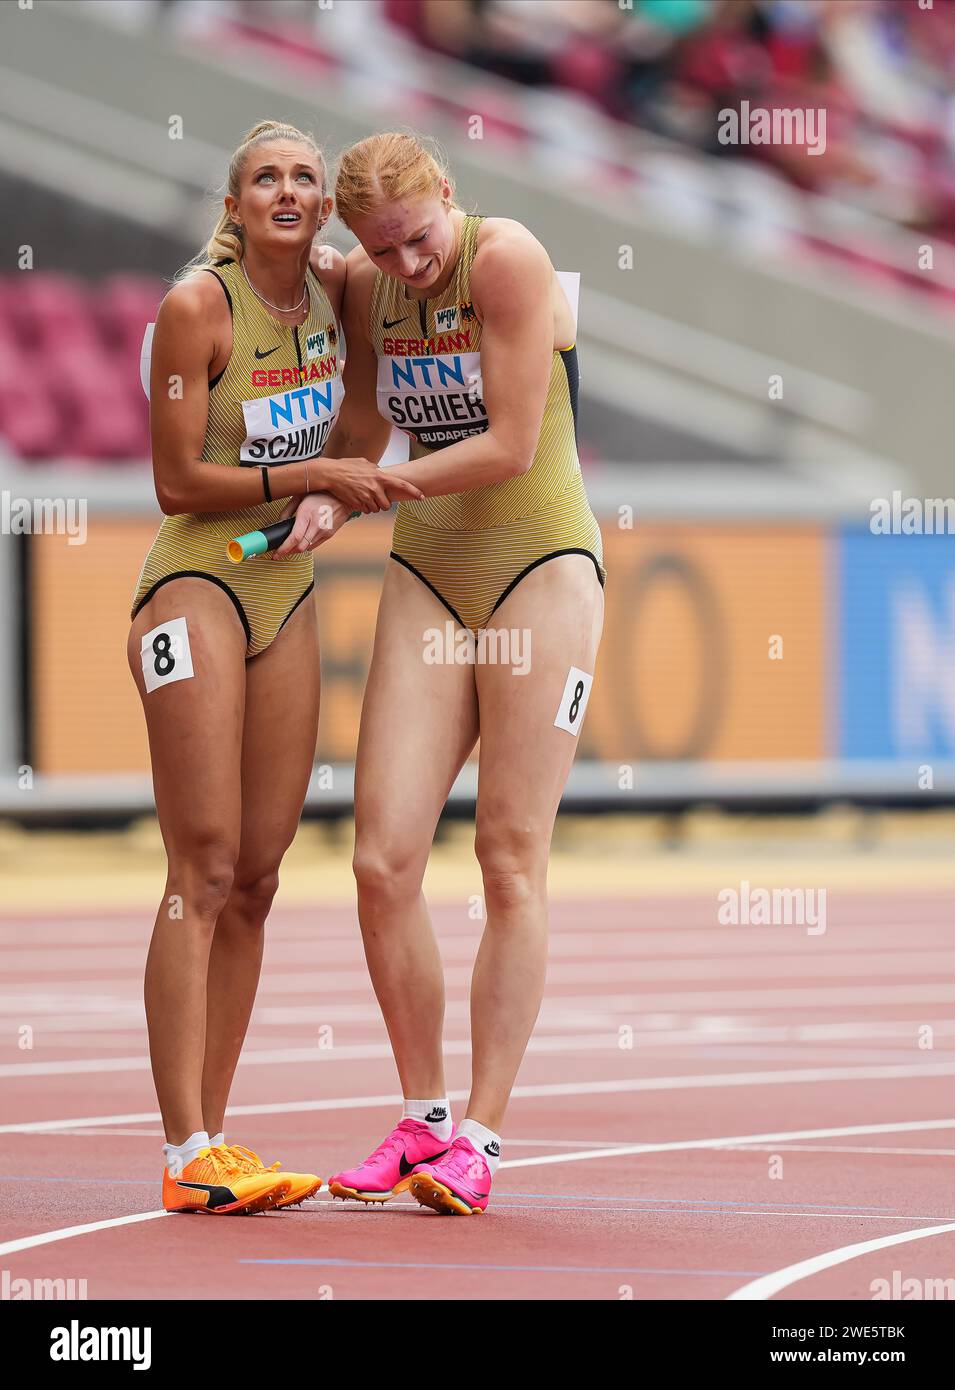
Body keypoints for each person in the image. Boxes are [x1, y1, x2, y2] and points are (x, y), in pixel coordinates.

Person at [278, 131, 605, 1214]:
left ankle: (484, 1133)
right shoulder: (372, 282)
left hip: (538, 565)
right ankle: (422, 1118)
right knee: (381, 859)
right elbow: (368, 424)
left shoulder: (504, 258)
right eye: (379, 248)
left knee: (509, 855)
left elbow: (511, 445)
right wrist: (330, 487)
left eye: (416, 241)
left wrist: (374, 488)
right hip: (431, 570)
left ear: (448, 201)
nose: (405, 266)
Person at [127, 119, 421, 1215]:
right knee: (200, 867)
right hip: (195, 584)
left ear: (326, 208)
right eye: (266, 178)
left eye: (305, 176)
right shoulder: (196, 308)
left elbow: (373, 404)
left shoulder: (344, 287)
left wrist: (329, 492)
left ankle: (215, 1140)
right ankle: (182, 1145)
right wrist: (317, 470)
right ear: (237, 203)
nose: (288, 190)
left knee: (257, 877)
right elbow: (174, 483)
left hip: (282, 589)